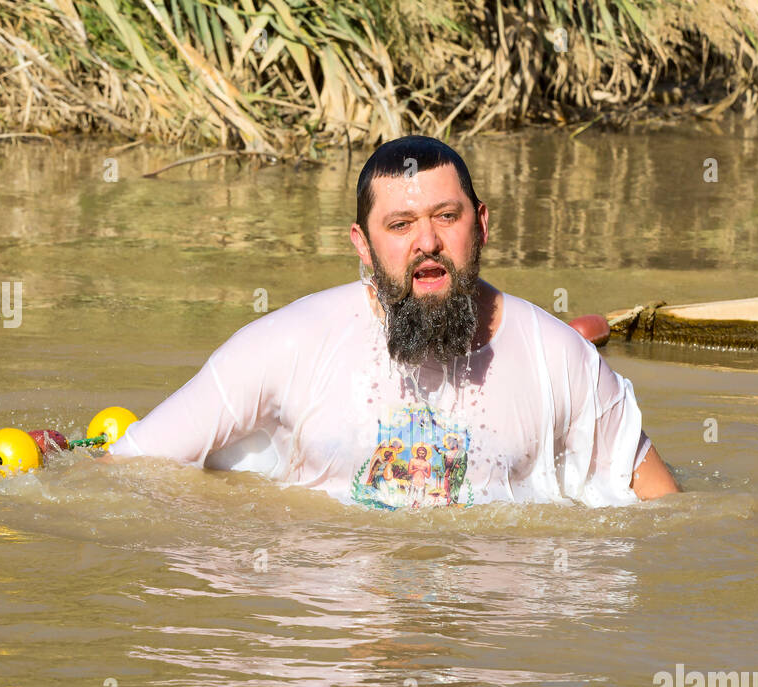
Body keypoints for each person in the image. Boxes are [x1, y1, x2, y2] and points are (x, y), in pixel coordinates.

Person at [109, 136, 680, 508]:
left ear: (480, 224)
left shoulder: (559, 358)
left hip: (492, 665)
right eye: (400, 224)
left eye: (445, 217)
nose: (427, 243)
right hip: (337, 655)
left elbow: (667, 512)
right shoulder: (285, 345)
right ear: (363, 244)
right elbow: (128, 473)